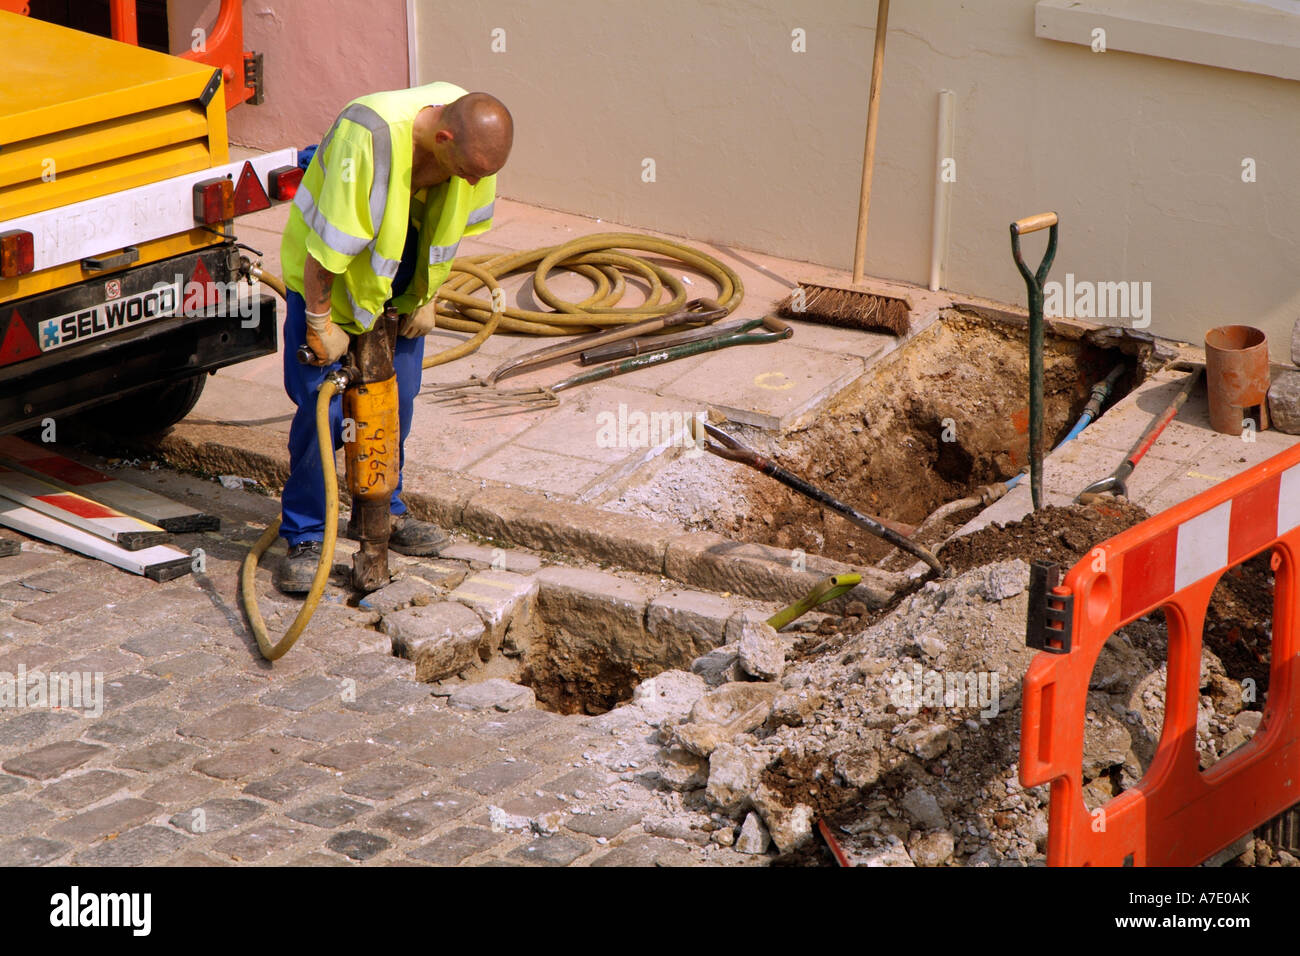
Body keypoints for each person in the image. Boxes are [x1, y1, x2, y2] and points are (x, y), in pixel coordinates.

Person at [275, 84, 513, 593]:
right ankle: (307, 533)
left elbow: (447, 227)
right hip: (331, 288)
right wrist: (320, 325)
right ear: (443, 137)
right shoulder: (369, 135)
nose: (475, 181)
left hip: (398, 293)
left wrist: (427, 296)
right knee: (327, 413)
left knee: (395, 402)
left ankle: (380, 512)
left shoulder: (471, 144)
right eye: (469, 170)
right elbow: (323, 251)